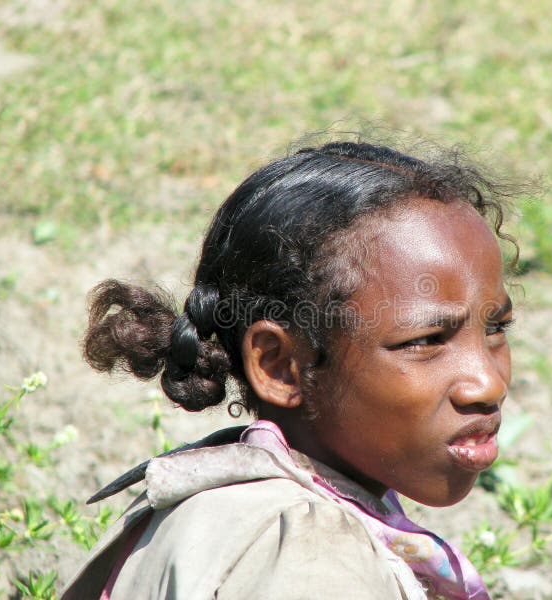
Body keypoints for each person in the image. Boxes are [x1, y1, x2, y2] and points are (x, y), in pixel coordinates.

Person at [61, 139, 518, 600]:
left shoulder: (228, 502)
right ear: (282, 367)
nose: (489, 383)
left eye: (496, 327)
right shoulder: (307, 551)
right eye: (425, 341)